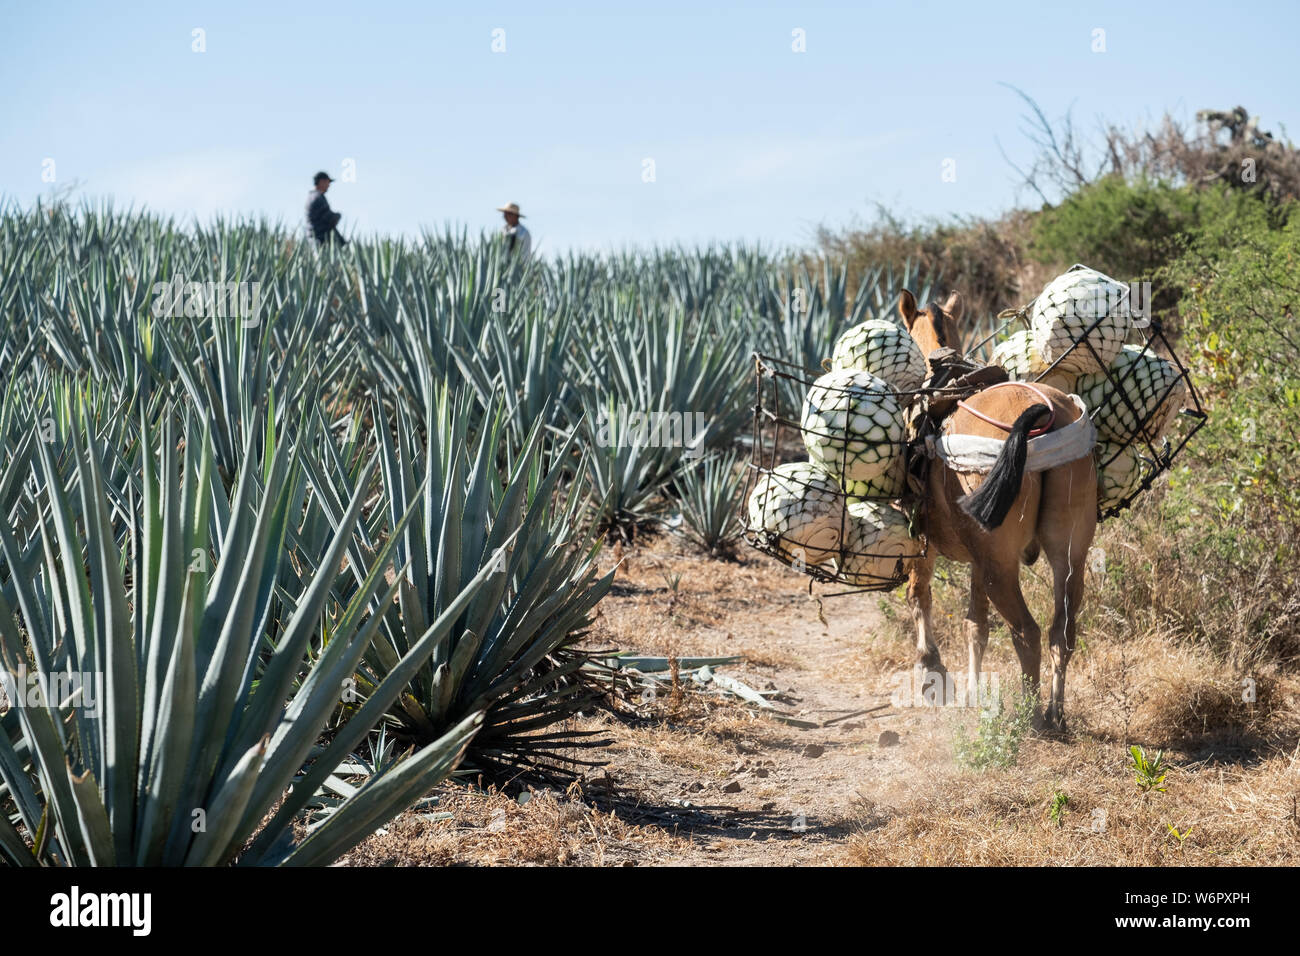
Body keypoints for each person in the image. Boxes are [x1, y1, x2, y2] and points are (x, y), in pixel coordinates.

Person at [306, 172, 346, 245]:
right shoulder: (318, 197)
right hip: (321, 239)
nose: (329, 185)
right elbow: (329, 218)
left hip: (316, 238)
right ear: (321, 182)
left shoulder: (312, 196)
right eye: (328, 182)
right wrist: (338, 215)